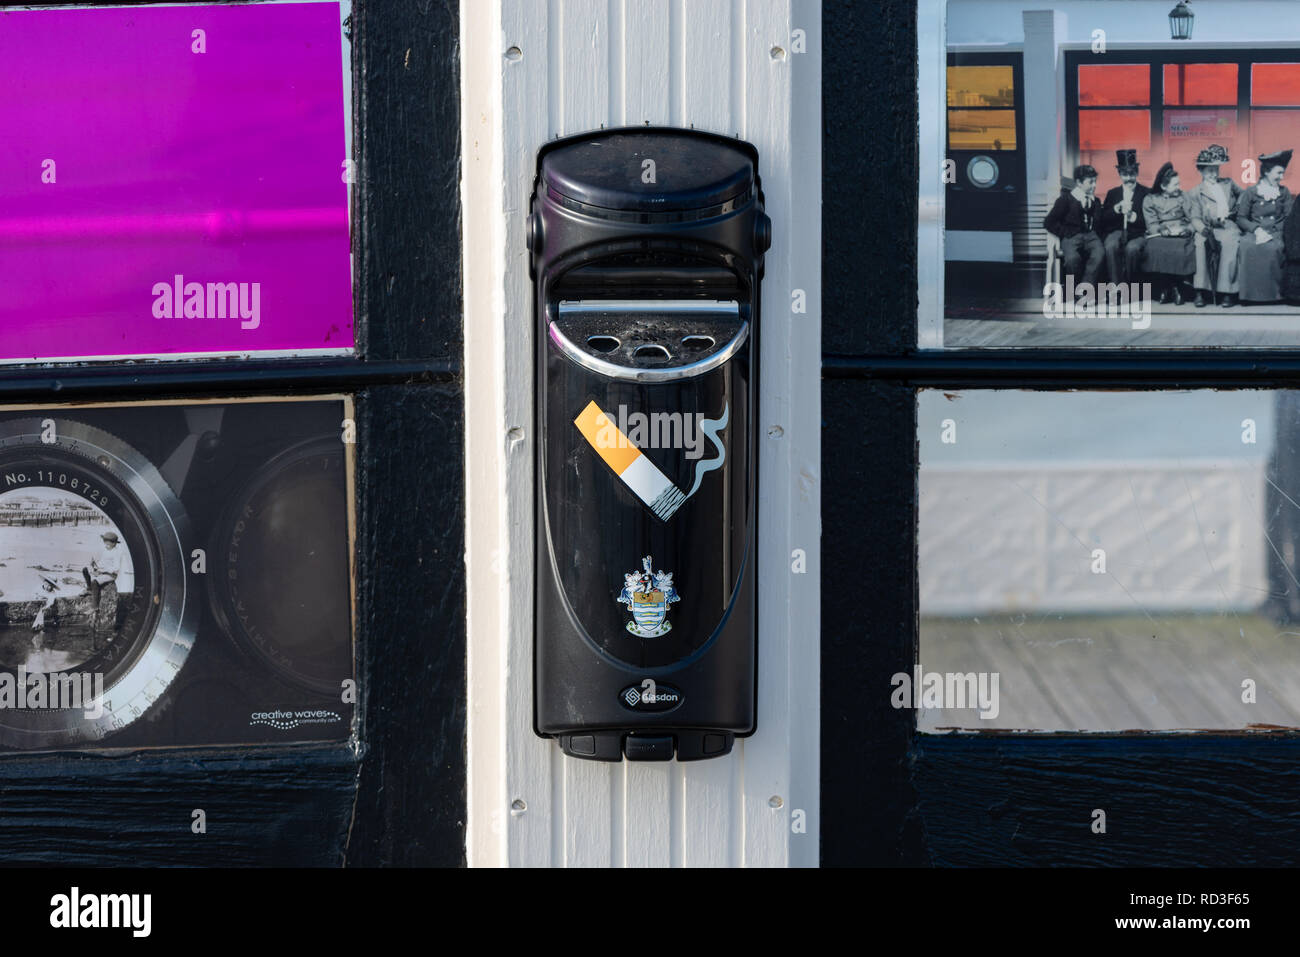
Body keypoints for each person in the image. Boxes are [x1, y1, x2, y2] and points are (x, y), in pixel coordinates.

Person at [1185, 144, 1243, 308]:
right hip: (1206, 227)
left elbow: (1244, 195)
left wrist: (1236, 208)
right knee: (1200, 243)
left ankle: (1227, 291)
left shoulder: (1228, 183)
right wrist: (1203, 229)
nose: (1213, 173)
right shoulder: (1196, 192)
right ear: (1201, 171)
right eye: (1209, 170)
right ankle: (1200, 290)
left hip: (1227, 225)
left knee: (1230, 242)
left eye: (1216, 169)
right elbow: (1195, 217)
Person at [1236, 149, 1294, 304]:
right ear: (1267, 172)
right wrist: (1255, 229)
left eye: (1282, 173)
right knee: (1247, 247)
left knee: (1274, 248)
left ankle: (1274, 296)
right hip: (1255, 231)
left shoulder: (1284, 192)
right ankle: (1249, 296)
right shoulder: (1251, 192)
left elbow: (1289, 217)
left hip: (1276, 231)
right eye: (1278, 173)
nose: (1281, 177)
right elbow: (1241, 218)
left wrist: (1278, 230)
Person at [1141, 162, 1197, 305]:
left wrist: (1189, 229)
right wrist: (1161, 230)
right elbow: (1151, 223)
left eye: (1179, 183)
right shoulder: (1150, 199)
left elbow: (1193, 218)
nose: (1179, 187)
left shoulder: (1183, 197)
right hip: (1161, 235)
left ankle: (1177, 287)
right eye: (1175, 185)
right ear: (1163, 187)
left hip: (1181, 232)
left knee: (1181, 248)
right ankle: (1165, 287)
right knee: (1156, 247)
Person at [1044, 164, 1103, 289]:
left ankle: (1085, 289)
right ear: (1079, 183)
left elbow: (1100, 221)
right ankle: (1074, 289)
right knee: (1072, 259)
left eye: (1095, 181)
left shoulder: (1095, 201)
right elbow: (1049, 222)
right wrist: (1065, 232)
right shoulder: (1065, 200)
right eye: (1090, 182)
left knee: (1099, 253)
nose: (1094, 185)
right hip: (1071, 236)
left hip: (1091, 237)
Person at [1098, 148, 1149, 284]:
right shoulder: (1112, 193)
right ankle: (1117, 287)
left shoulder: (1146, 193)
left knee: (1132, 249)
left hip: (1138, 233)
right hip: (1116, 232)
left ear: (1137, 173)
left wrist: (1132, 216)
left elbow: (1149, 220)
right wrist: (1116, 210)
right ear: (1119, 174)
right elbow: (1103, 220)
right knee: (1110, 246)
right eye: (1125, 175)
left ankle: (1131, 287)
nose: (1129, 178)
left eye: (1132, 174)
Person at [82, 529, 122, 649]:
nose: (106, 545)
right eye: (105, 542)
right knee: (86, 571)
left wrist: (102, 571)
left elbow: (115, 569)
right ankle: (89, 587)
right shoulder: (105, 551)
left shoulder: (117, 553)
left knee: (95, 581)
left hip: (110, 575)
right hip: (103, 572)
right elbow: (102, 562)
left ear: (114, 543)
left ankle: (95, 606)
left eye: (109, 543)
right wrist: (95, 566)